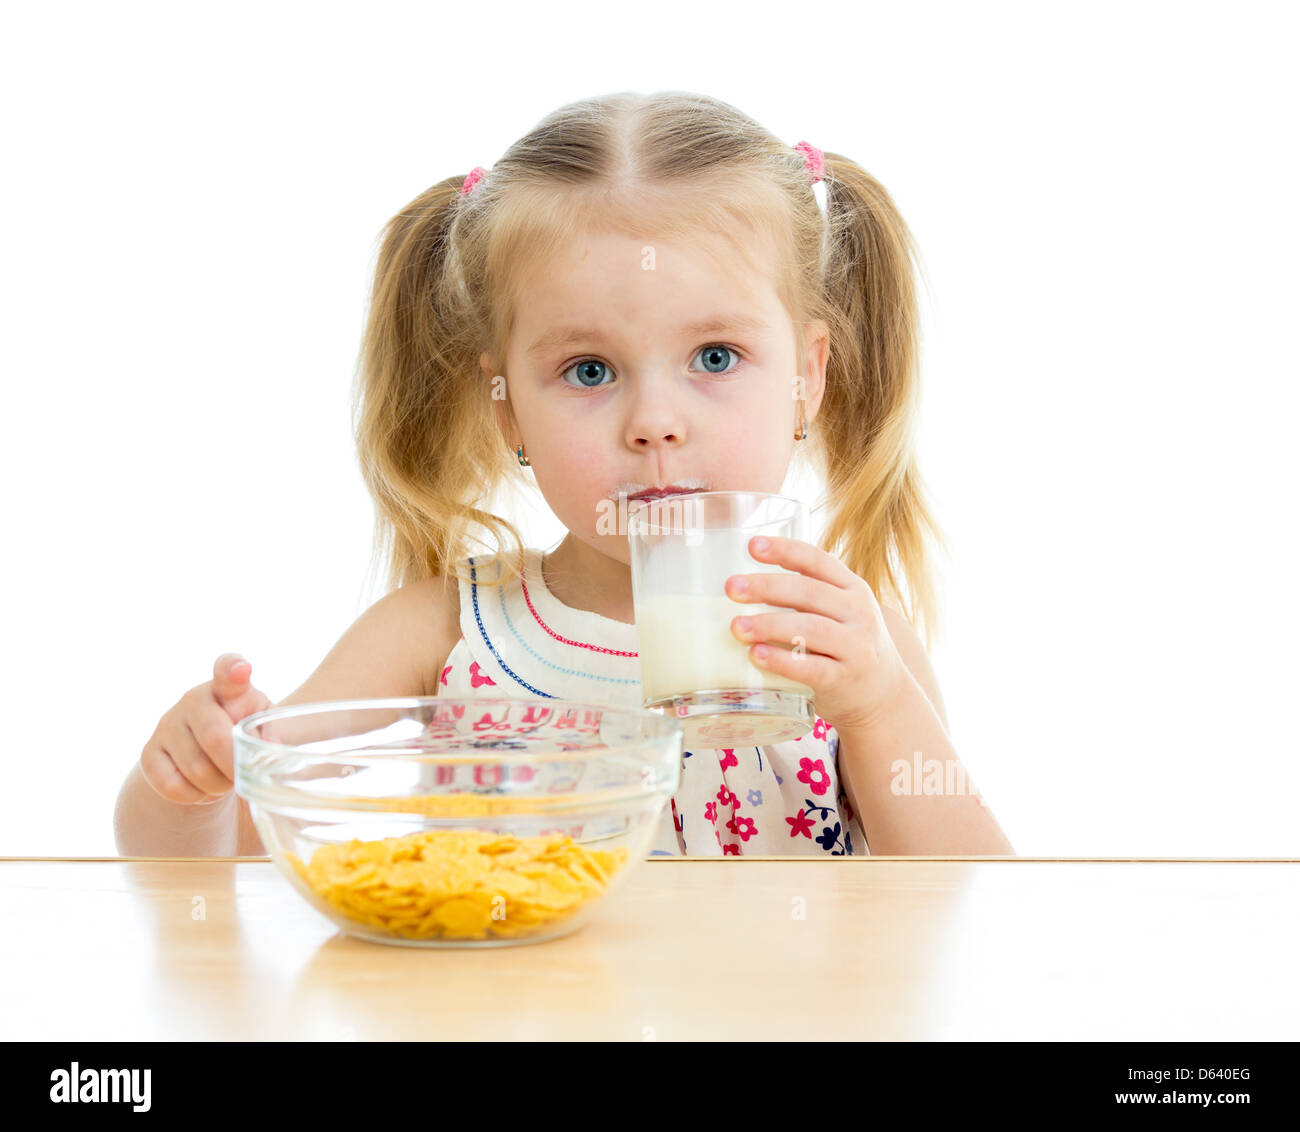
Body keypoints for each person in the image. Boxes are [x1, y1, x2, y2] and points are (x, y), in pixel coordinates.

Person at [115, 90, 1013, 859]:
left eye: (714, 354)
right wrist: (189, 788)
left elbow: (971, 895)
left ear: (806, 376)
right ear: (508, 408)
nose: (655, 422)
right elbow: (223, 848)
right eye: (589, 370)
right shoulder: (448, 631)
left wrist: (878, 703)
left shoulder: (839, 640)